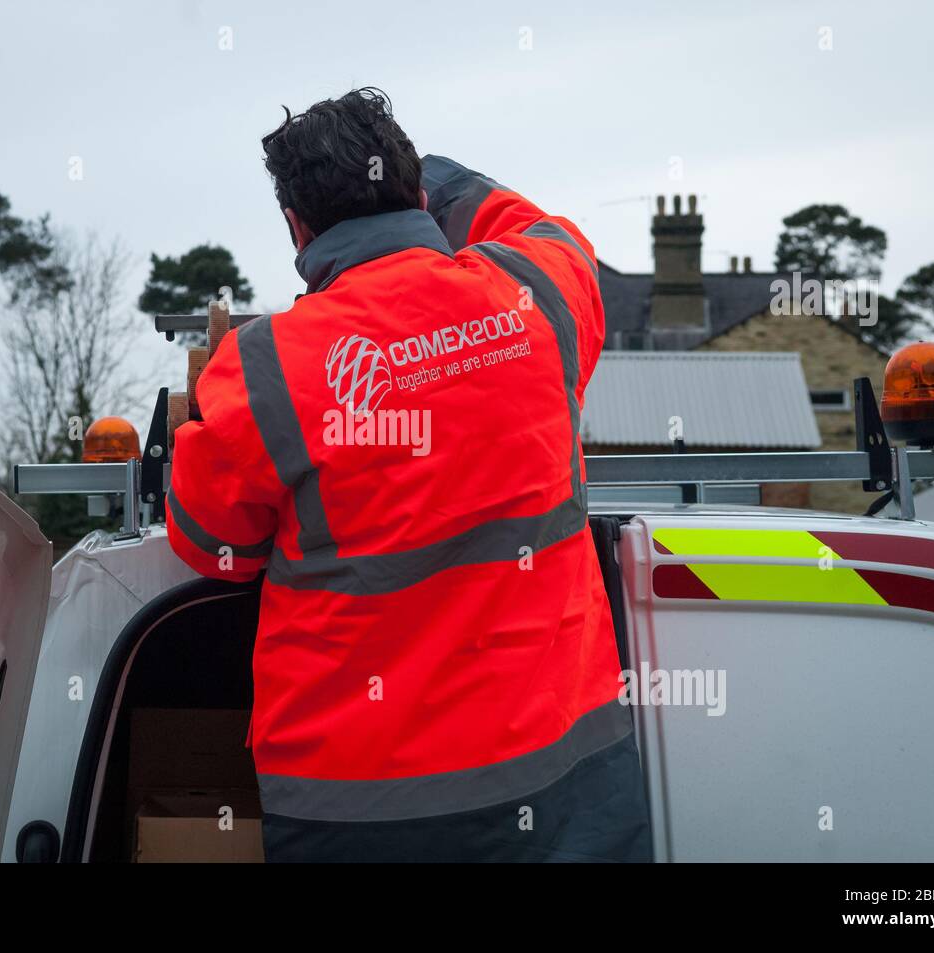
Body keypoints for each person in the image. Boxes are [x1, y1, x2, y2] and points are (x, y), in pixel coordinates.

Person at [165, 87, 650, 862]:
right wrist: (444, 183)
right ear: (417, 192)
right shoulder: (539, 295)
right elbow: (544, 228)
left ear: (297, 226)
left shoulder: (263, 369)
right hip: (565, 787)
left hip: (359, 815)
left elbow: (209, 546)